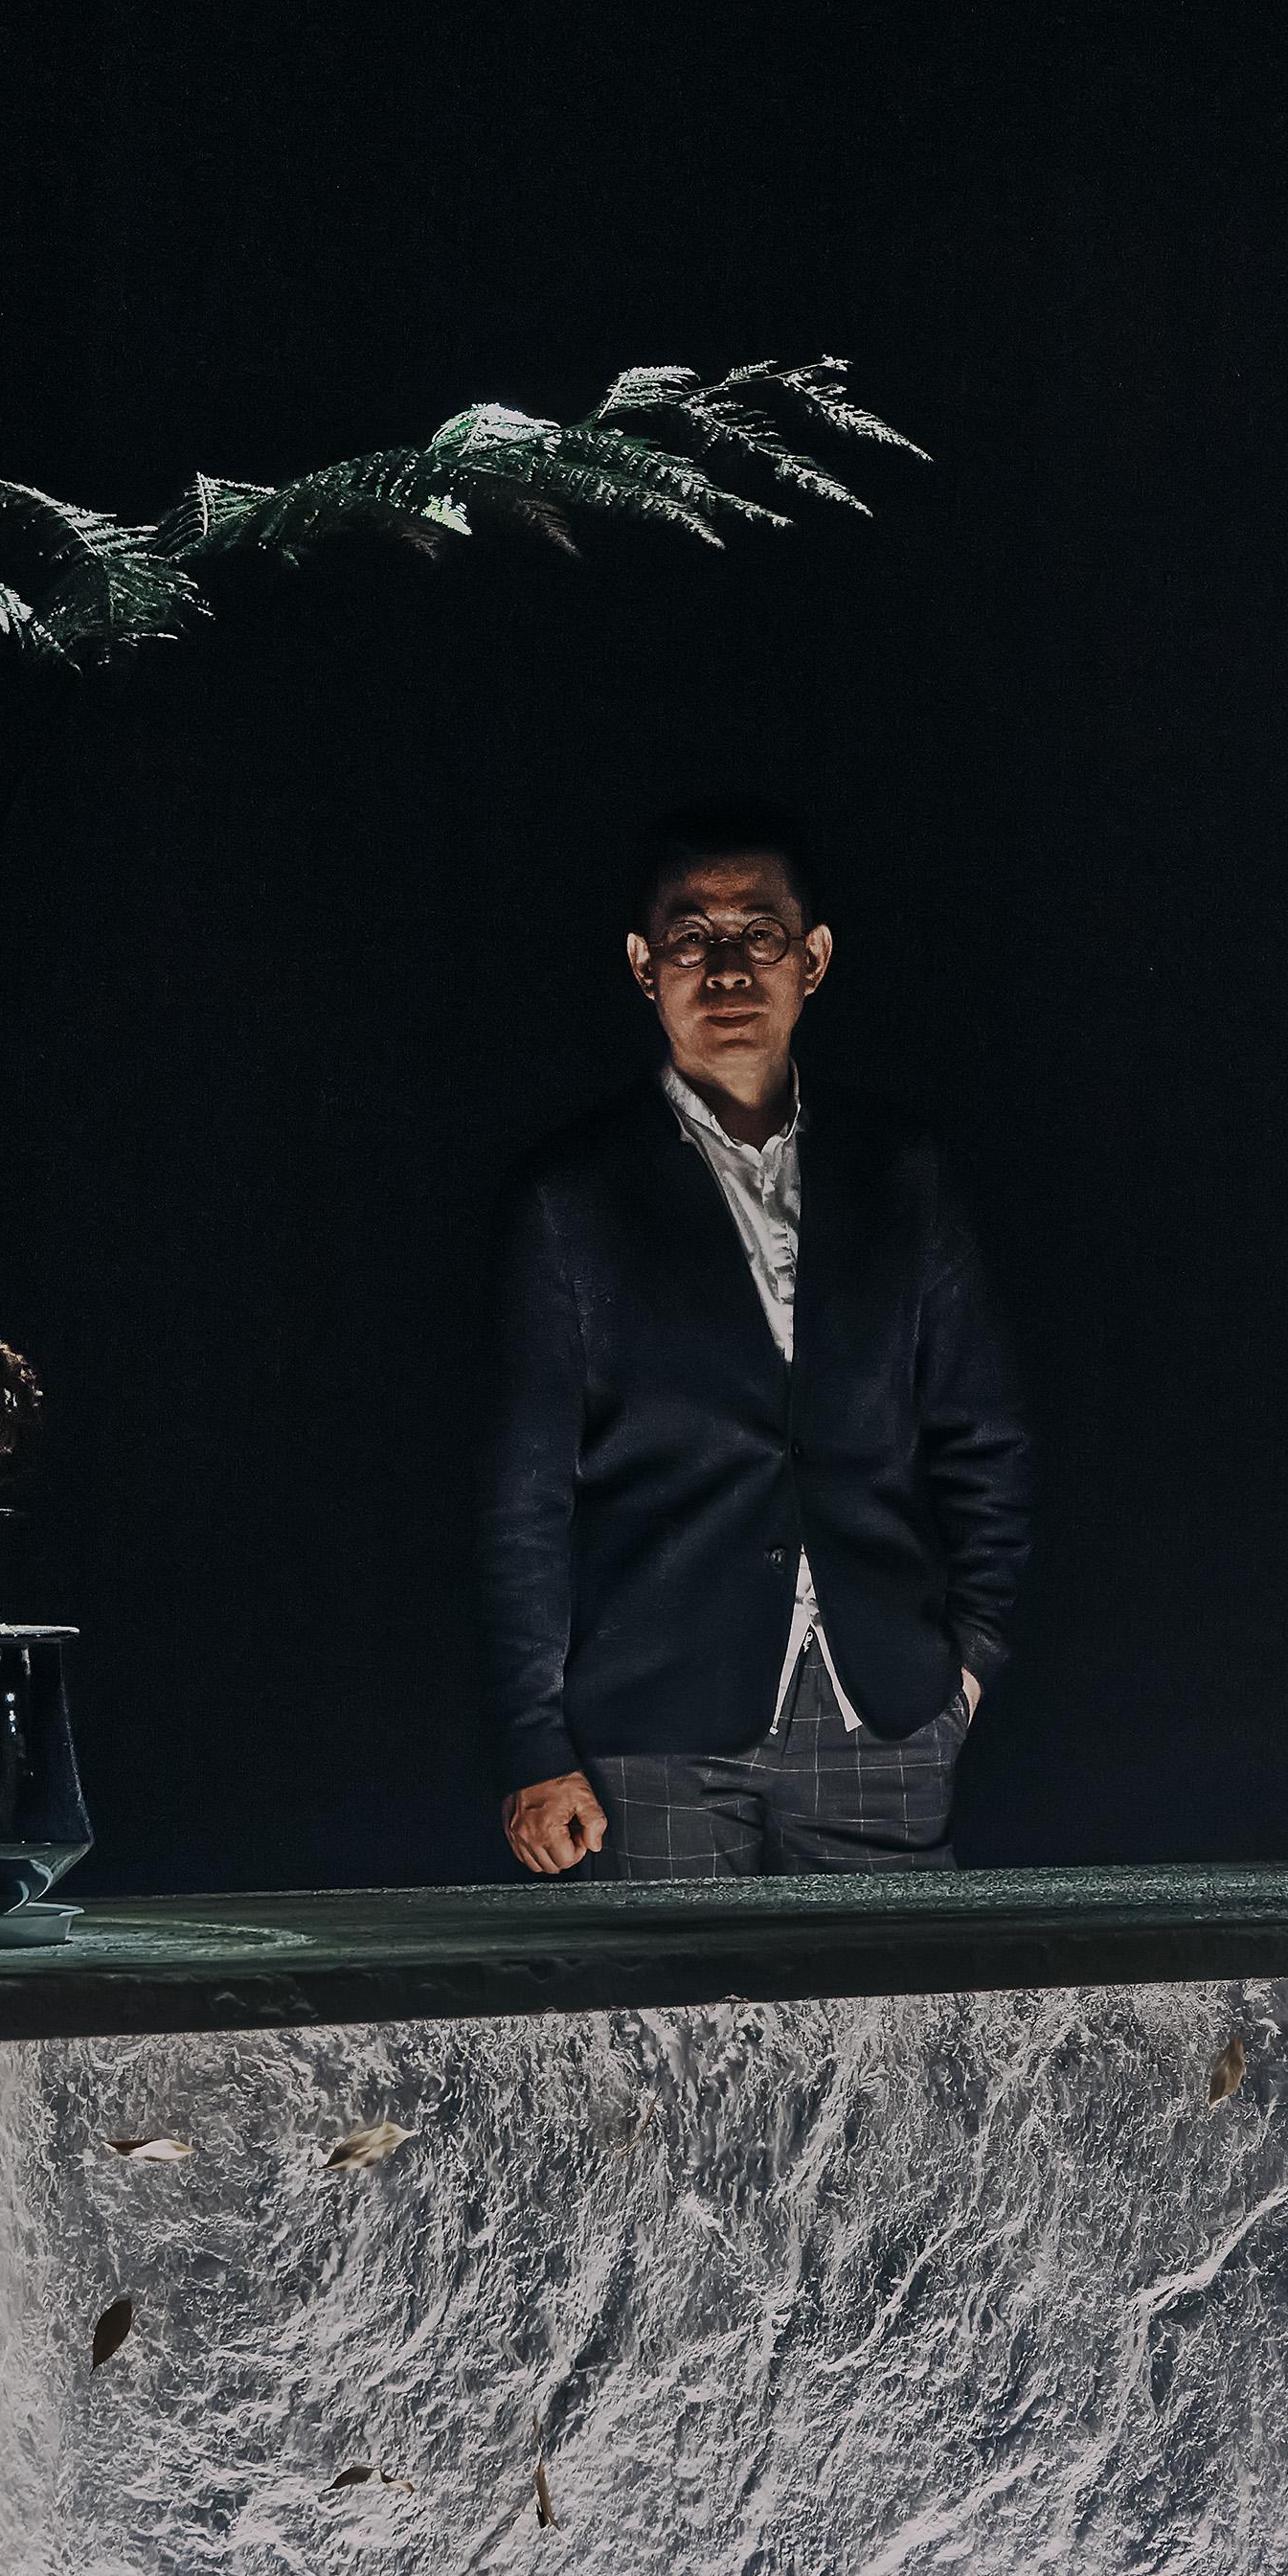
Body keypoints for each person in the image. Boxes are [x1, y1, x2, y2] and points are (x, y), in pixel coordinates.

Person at [484, 798, 1030, 1877]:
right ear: (644, 964)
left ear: (811, 959)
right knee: (674, 1999)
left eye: (760, 934)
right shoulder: (572, 1195)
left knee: (894, 1996)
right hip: (652, 1729)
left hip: (885, 1718)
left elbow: (987, 1437)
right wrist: (534, 1739)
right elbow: (524, 1495)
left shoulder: (900, 1173)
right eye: (692, 937)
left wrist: (968, 1666)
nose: (727, 968)